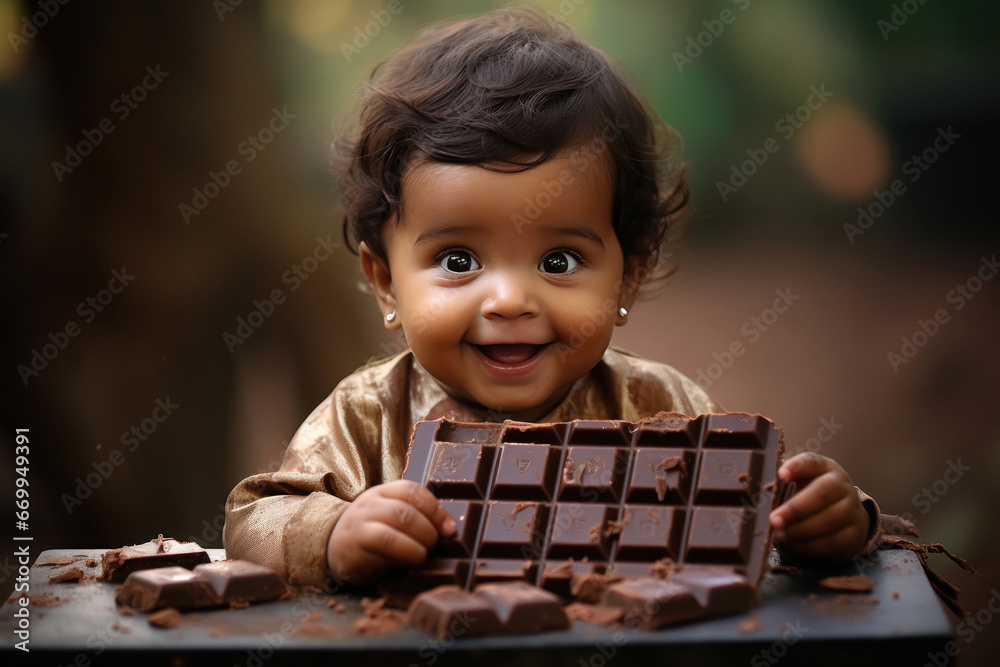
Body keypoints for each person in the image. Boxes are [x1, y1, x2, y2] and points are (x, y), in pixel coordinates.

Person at [223, 6, 879, 588]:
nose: (510, 299)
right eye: (458, 261)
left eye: (558, 261)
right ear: (386, 281)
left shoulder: (661, 408)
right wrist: (332, 534)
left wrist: (831, 521)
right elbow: (253, 519)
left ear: (626, 276)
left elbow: (751, 514)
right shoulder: (365, 418)